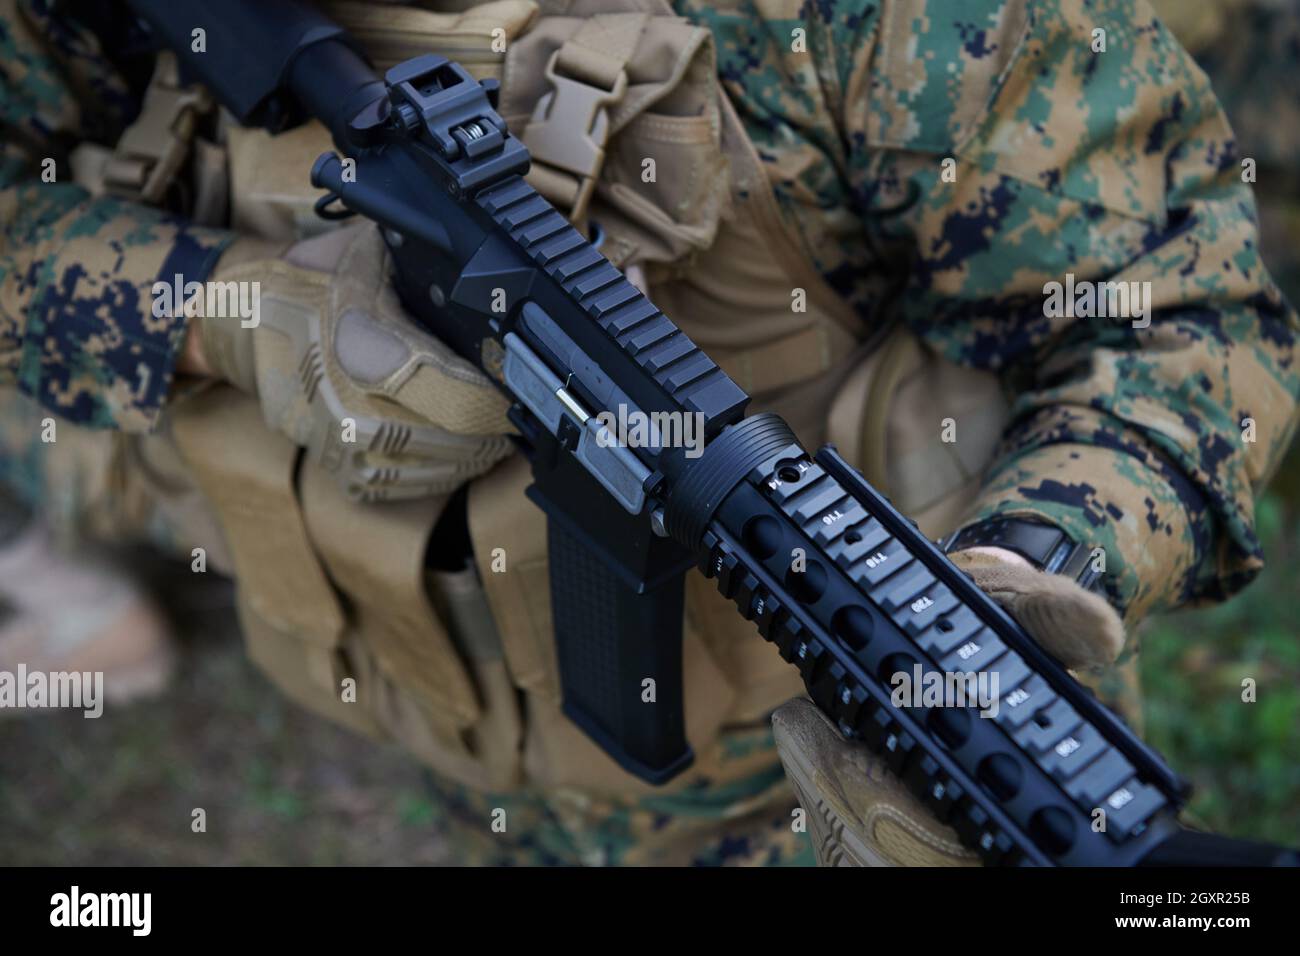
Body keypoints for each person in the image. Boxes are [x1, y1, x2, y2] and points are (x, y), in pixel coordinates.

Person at [1, 0, 1295, 866]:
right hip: (484, 752)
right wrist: (226, 314)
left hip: (853, 792)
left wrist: (1032, 568)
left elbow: (1176, 323)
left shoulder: (878, 26)